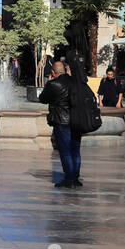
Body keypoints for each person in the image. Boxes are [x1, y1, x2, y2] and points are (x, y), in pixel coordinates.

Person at [38, 60, 80, 188]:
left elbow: (42, 99)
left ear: (53, 72)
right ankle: (75, 178)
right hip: (77, 120)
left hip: (62, 121)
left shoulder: (54, 84)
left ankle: (69, 179)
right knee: (75, 150)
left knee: (65, 151)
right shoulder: (76, 82)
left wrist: (49, 82)